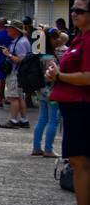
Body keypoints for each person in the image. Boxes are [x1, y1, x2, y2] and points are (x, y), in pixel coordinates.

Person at [49, 0, 90, 205]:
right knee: (79, 162)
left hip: (82, 108)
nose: (74, 14)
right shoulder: (79, 38)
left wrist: (59, 76)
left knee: (80, 163)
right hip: (75, 107)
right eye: (73, 10)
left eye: (80, 11)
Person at [32, 29, 63, 157]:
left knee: (42, 119)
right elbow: (53, 76)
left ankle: (36, 147)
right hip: (52, 92)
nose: (59, 41)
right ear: (49, 40)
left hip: (41, 91)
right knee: (53, 121)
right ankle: (48, 149)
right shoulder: (50, 58)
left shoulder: (40, 54)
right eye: (55, 38)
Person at [0, 21, 31, 128]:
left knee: (14, 98)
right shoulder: (21, 41)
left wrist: (8, 54)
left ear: (15, 30)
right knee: (20, 97)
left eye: (10, 28)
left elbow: (20, 60)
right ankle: (24, 120)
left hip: (16, 73)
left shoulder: (21, 43)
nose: (7, 30)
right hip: (19, 73)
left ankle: (13, 120)